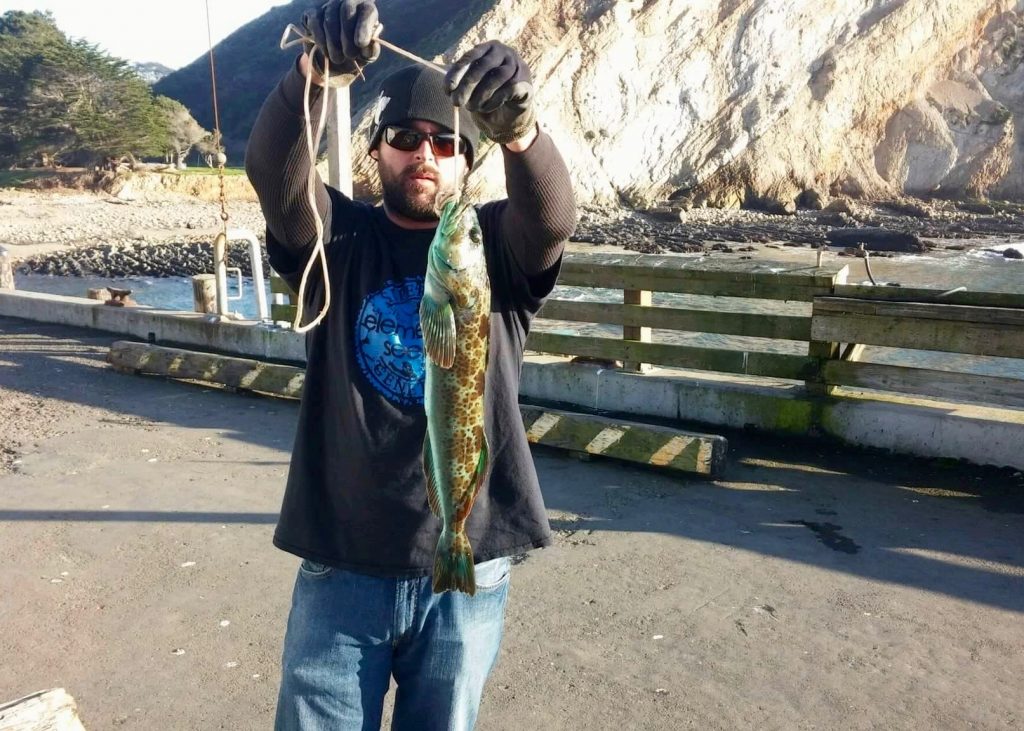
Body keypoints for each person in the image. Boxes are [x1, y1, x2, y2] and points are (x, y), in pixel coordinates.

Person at [245, 0, 576, 728]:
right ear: (377, 150)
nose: (424, 153)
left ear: (466, 158)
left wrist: (522, 134)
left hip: (467, 563)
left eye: (445, 141)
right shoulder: (339, 239)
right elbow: (273, 174)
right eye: (403, 136)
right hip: (342, 566)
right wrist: (311, 71)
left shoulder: (491, 246)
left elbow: (550, 217)